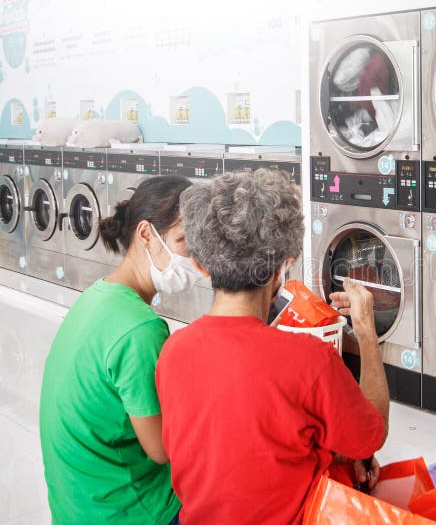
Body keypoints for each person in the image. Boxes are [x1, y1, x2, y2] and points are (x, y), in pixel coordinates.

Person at [156, 169, 389, 524]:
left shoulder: (173, 351)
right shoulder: (309, 360)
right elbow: (372, 436)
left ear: (202, 265)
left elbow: (240, 446)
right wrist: (367, 333)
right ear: (279, 270)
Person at [40, 175, 201, 524]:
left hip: (77, 506)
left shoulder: (100, 297)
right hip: (126, 511)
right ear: (146, 235)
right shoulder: (140, 328)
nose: (194, 260)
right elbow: (160, 451)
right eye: (185, 241)